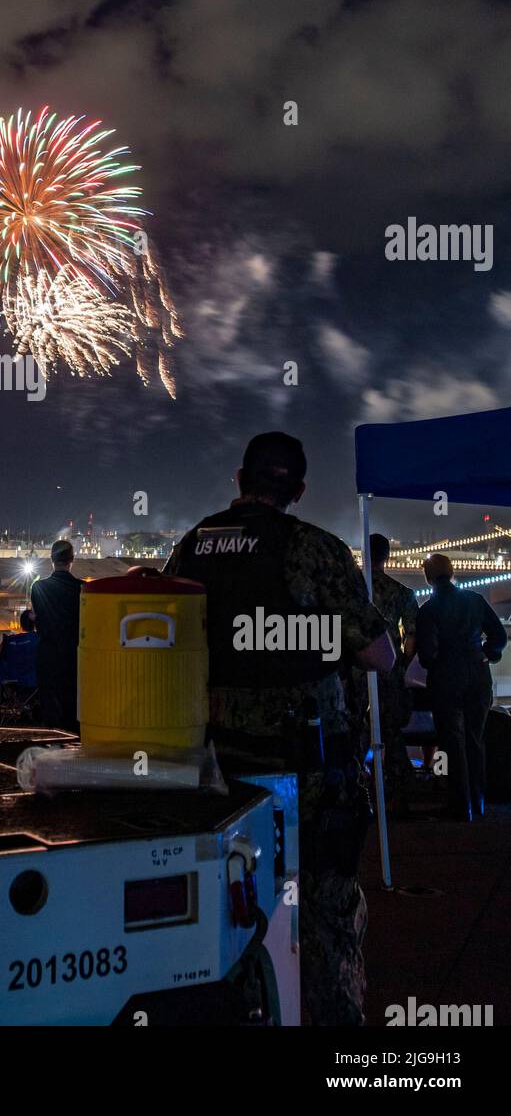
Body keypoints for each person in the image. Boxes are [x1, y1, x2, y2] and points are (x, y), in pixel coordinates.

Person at [165, 431, 395, 1026]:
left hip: (218, 775)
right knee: (324, 921)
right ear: (298, 489)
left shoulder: (194, 545)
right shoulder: (316, 550)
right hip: (309, 775)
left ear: (239, 481)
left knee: (225, 914)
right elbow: (379, 656)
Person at [416, 552, 507, 821]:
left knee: (452, 743)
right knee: (475, 740)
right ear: (453, 571)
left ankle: (460, 806)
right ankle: (479, 802)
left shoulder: (428, 610)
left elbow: (427, 655)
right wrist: (488, 653)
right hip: (479, 677)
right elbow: (499, 636)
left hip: (447, 680)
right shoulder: (475, 600)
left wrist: (438, 662)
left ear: (428, 577)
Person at [352, 533, 419, 815]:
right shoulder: (402, 592)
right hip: (388, 668)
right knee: (390, 731)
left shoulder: (352, 588)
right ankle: (398, 794)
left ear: (363, 555)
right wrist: (401, 662)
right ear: (387, 556)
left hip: (355, 666)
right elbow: (413, 636)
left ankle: (356, 791)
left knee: (355, 729)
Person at [30, 540, 83, 731]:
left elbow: (36, 618)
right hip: (75, 653)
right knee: (73, 700)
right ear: (72, 560)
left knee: (50, 701)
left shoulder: (38, 588)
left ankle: (52, 742)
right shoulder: (82, 588)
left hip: (48, 652)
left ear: (51, 559)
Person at [0, 609, 39, 691]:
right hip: (33, 682)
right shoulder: (38, 639)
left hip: (11, 682)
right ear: (35, 624)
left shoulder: (9, 640)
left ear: (21, 624)